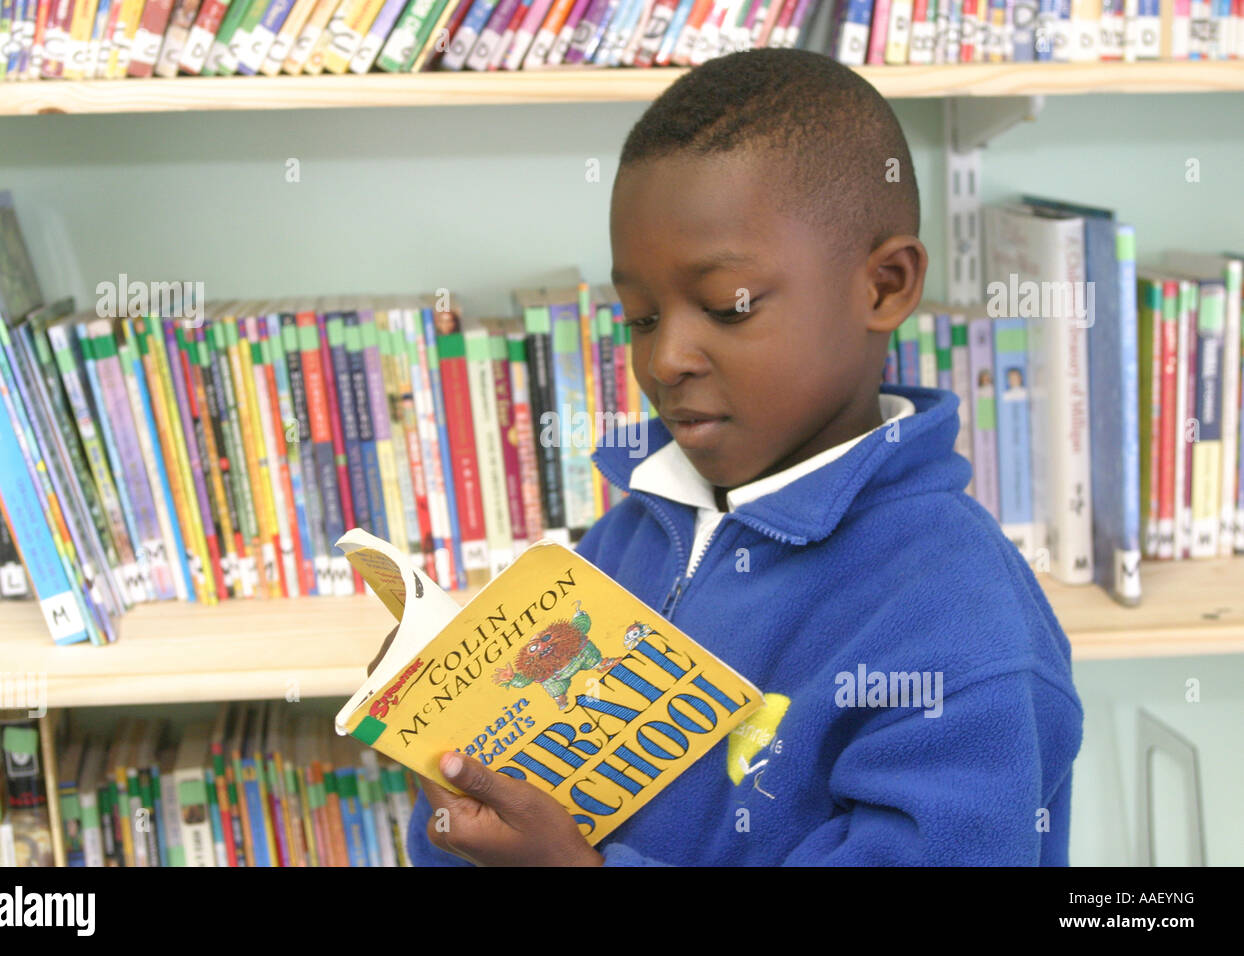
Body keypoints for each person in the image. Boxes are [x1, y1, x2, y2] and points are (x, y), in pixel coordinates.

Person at [398, 48, 1083, 866]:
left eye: (727, 307)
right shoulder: (627, 540)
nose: (664, 361)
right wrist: (445, 753)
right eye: (641, 318)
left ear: (885, 286)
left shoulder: (963, 625)